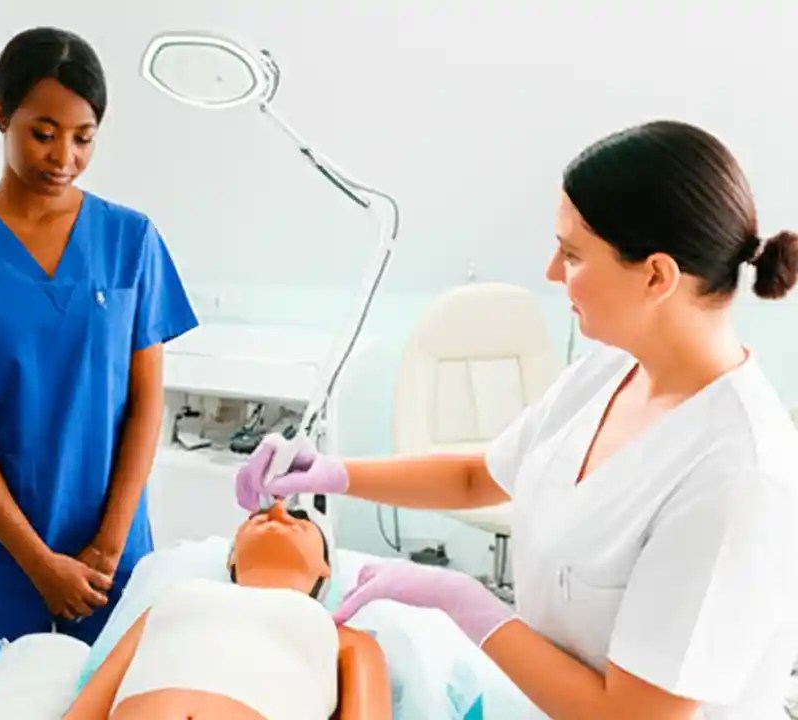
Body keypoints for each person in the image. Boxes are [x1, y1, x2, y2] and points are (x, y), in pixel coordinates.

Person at [236, 120, 798, 720]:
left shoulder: (738, 474)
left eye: (573, 254)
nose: (553, 272)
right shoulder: (609, 371)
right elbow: (480, 477)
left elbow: (637, 716)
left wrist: (466, 602)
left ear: (656, 275)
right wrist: (330, 473)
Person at [0, 26, 198, 645]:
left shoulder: (130, 241)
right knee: (3, 698)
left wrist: (109, 545)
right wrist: (36, 560)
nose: (63, 159)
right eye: (44, 134)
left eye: (84, 139)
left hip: (109, 545)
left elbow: (144, 405)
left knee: (113, 698)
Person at [64, 499, 391, 719]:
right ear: (230, 558)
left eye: (302, 519)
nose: (278, 510)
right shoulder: (171, 602)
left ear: (326, 569)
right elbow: (85, 710)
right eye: (256, 516)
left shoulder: (345, 640)